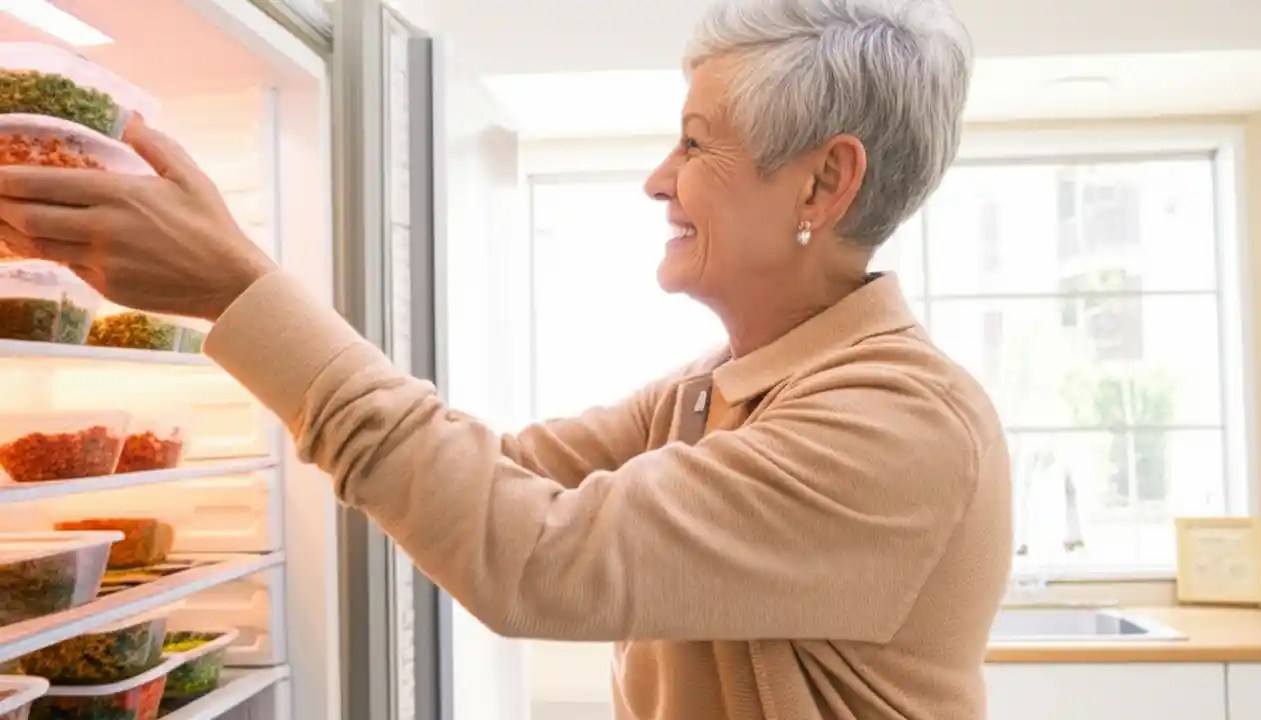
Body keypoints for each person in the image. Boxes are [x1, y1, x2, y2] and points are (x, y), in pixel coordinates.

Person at [0, 0, 1011, 717]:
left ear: (822, 184)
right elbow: (499, 473)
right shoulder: (728, 387)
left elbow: (534, 558)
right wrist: (244, 295)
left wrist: (235, 288)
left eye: (696, 145)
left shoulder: (894, 423)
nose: (659, 180)